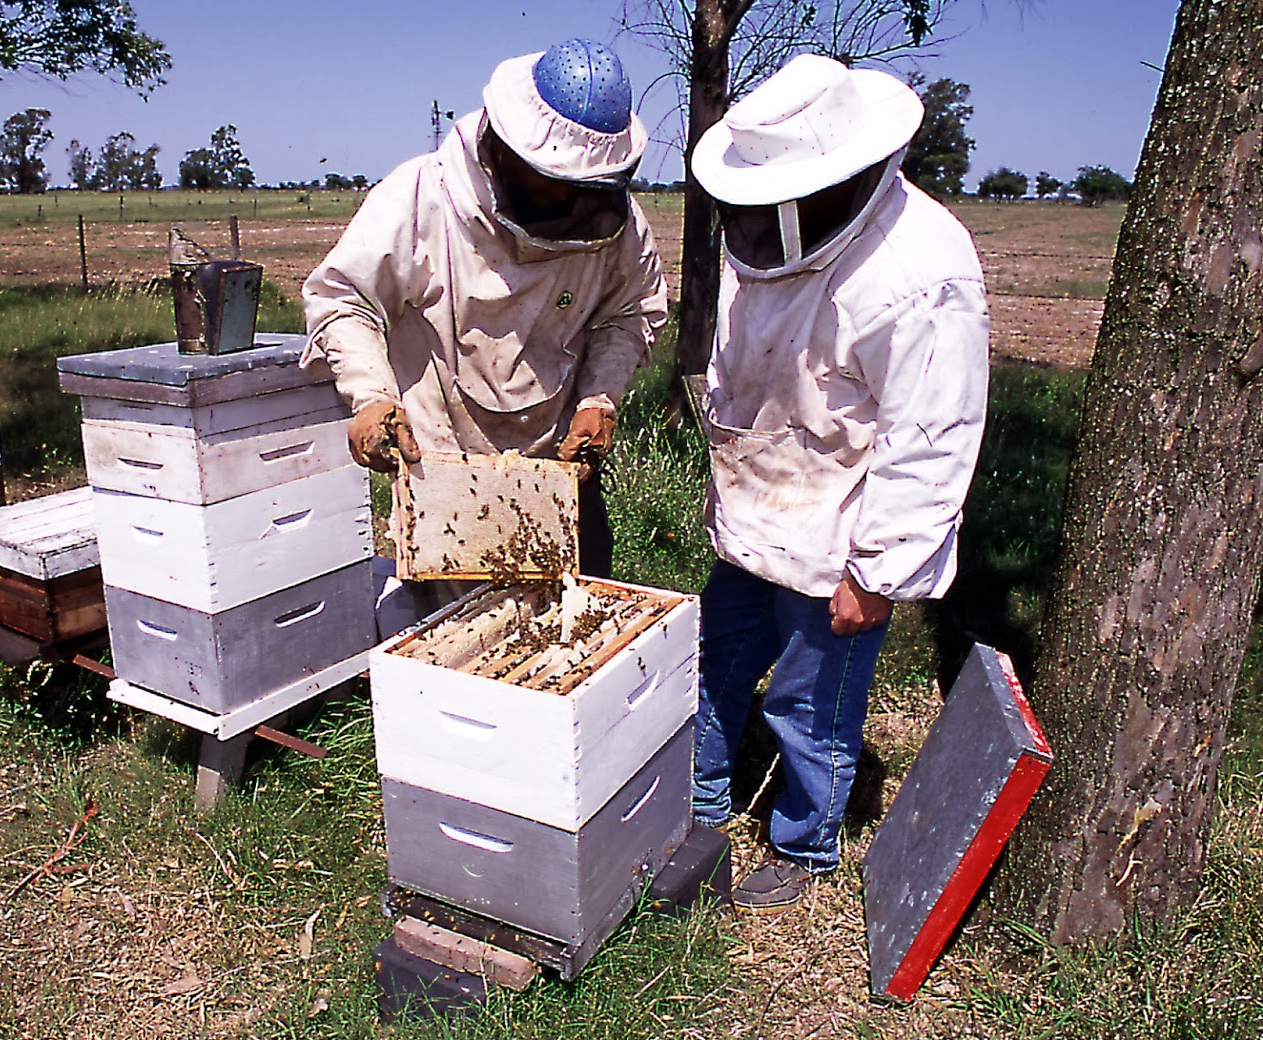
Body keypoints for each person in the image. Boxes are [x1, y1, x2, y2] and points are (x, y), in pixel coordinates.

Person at [687, 54, 989, 912]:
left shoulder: (923, 272)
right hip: (757, 509)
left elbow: (931, 438)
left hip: (841, 537)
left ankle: (804, 841)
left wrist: (880, 570)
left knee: (809, 701)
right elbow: (741, 358)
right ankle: (700, 804)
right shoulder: (774, 231)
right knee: (712, 662)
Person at [300, 38, 668, 579]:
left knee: (575, 626)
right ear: (509, 148)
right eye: (551, 180)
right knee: (455, 640)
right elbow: (345, 298)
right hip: (441, 464)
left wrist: (600, 399)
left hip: (560, 470)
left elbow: (628, 313)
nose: (565, 198)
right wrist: (371, 397)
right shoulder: (423, 196)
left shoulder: (616, 223)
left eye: (578, 184)